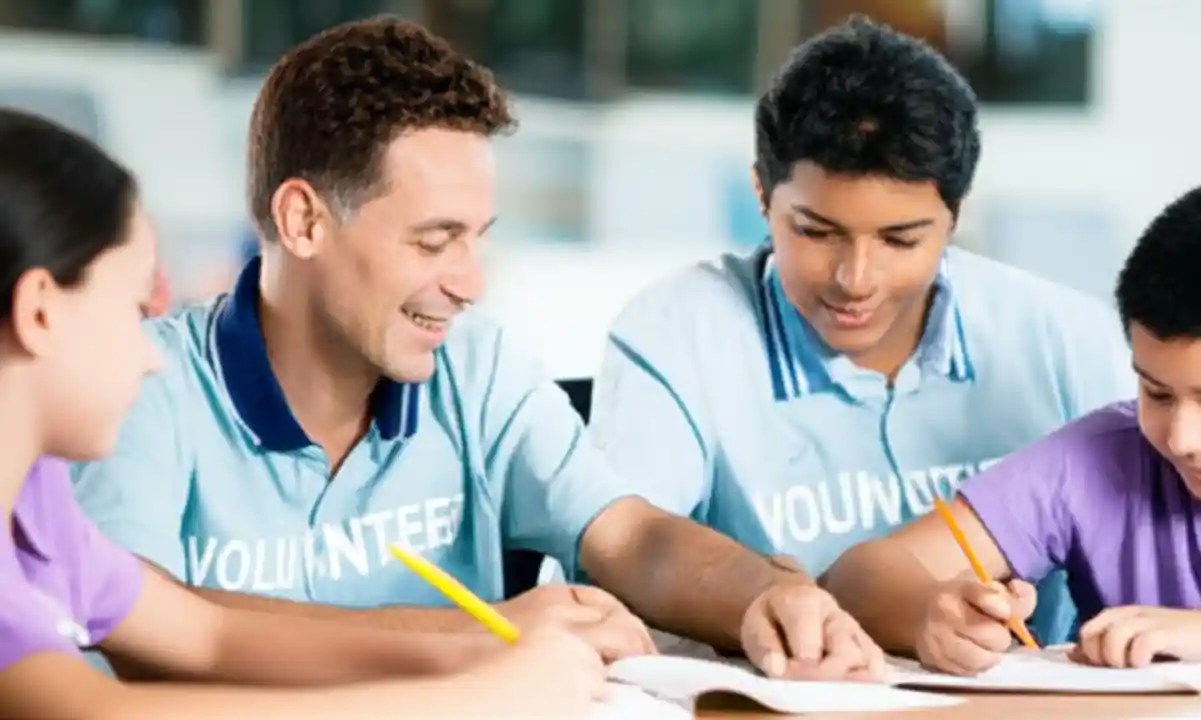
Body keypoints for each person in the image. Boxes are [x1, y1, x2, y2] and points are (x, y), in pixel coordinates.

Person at [71, 16, 883, 681]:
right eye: (434, 242)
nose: (470, 283)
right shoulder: (146, 384)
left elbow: (628, 535)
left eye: (479, 239)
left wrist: (760, 596)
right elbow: (140, 621)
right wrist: (472, 636)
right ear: (304, 221)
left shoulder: (476, 367)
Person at [0, 107, 609, 719]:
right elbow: (93, 713)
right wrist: (476, 698)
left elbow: (209, 636)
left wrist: (478, 652)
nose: (149, 356)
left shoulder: (35, 500)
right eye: (134, 313)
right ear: (41, 312)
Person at [588, 14, 1132, 647]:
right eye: (816, 232)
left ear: (954, 216)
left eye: (901, 239)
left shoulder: (1067, 337)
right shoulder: (677, 333)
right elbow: (623, 542)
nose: (856, 279)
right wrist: (753, 592)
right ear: (762, 195)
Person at [828, 183, 1201, 674]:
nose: (1181, 439)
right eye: (1157, 393)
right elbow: (857, 578)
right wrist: (931, 614)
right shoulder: (1096, 459)